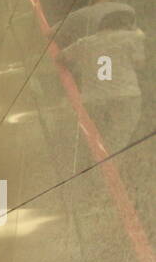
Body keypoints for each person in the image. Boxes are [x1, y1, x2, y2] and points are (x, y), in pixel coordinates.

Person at [61, 8, 146, 153]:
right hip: (125, 95)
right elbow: (140, 64)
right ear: (126, 24)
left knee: (96, 137)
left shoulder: (85, 42)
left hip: (92, 99)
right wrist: (139, 34)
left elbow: (61, 57)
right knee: (121, 136)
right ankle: (115, 166)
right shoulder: (131, 37)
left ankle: (100, 162)